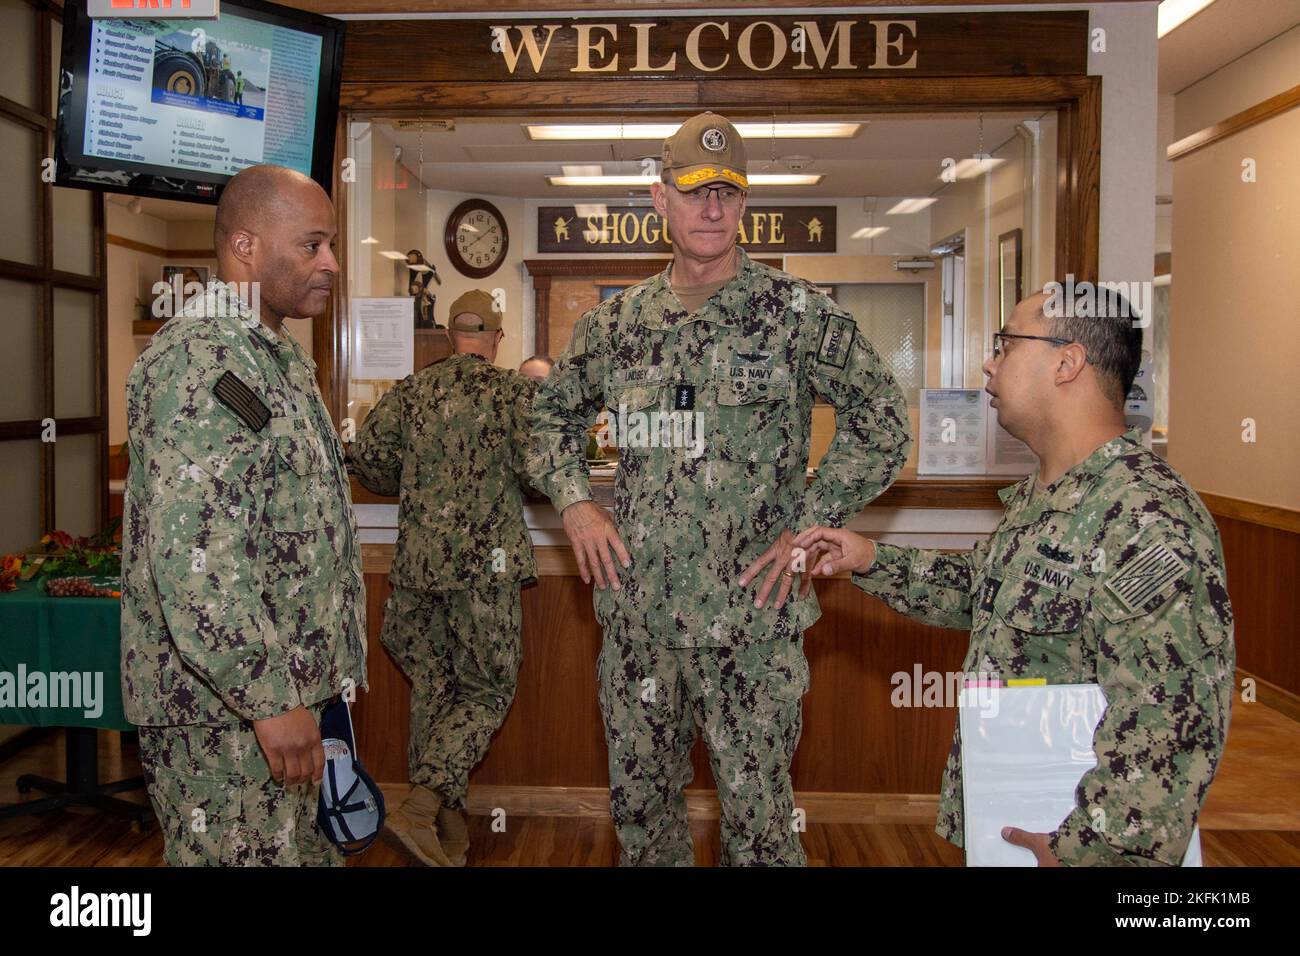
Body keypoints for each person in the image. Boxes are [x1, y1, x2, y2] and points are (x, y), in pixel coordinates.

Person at [529, 111, 911, 866]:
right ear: (659, 199)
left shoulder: (797, 317)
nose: (713, 208)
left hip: (753, 625)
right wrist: (574, 501)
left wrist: (807, 523)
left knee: (761, 830)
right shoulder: (617, 327)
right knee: (642, 821)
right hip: (641, 624)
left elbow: (885, 420)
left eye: (729, 193)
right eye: (696, 191)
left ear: (744, 204)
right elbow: (548, 419)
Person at [793, 286, 1235, 866]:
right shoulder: (1047, 493)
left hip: (1077, 844)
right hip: (1021, 820)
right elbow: (989, 592)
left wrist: (1089, 851)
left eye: (1006, 343)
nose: (989, 361)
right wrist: (871, 559)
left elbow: (1173, 718)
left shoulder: (1144, 515)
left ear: (1067, 361)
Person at [121, 164, 366, 866]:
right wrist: (266, 698)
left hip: (290, 703)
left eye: (331, 245)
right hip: (227, 720)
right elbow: (197, 559)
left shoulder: (275, 358)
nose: (332, 264)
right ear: (246, 246)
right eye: (312, 246)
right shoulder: (199, 362)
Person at [350, 290, 537, 866]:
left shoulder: (408, 393)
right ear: (498, 338)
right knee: (486, 690)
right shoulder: (515, 394)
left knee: (437, 689)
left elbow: (371, 465)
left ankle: (444, 823)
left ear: (450, 335)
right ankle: (421, 804)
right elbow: (539, 474)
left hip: (418, 571)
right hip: (487, 572)